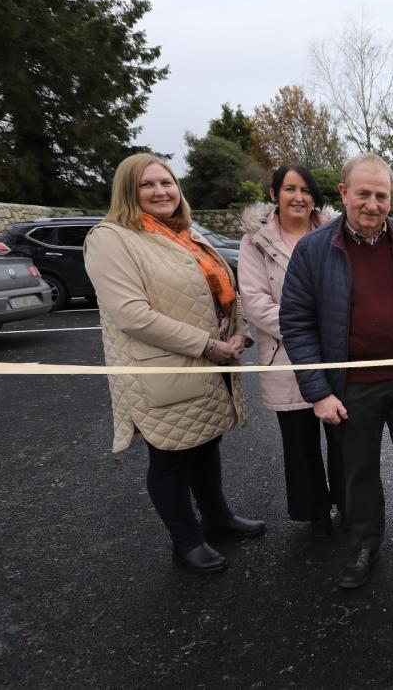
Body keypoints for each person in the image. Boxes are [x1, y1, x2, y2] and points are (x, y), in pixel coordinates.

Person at [280, 153, 393, 589]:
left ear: (392, 198)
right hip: (350, 389)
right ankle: (366, 543)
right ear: (344, 193)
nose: (372, 204)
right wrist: (318, 391)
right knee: (358, 470)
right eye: (363, 194)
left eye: (381, 195)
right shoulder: (313, 250)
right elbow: (296, 323)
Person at [84, 153, 264, 574]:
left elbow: (224, 289)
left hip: (209, 361)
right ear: (128, 191)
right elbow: (132, 314)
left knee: (206, 441)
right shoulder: (111, 238)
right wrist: (207, 345)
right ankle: (186, 540)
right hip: (163, 369)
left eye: (166, 182)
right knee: (171, 455)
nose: (161, 191)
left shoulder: (185, 234)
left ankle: (217, 518)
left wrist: (239, 330)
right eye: (147, 185)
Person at [238, 164, 341, 535]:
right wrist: (312, 328)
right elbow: (255, 303)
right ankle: (314, 513)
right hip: (285, 355)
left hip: (335, 354)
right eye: (289, 189)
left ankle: (348, 504)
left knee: (343, 438)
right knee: (300, 444)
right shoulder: (255, 242)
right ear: (274, 194)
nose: (298, 197)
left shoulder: (334, 232)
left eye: (306, 190)